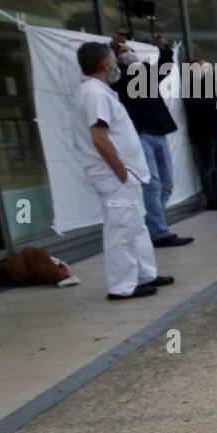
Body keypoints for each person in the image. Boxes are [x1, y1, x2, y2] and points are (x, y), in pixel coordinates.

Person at [70, 42, 174, 300]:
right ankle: (122, 286)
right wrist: (122, 172)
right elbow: (99, 137)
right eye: (113, 60)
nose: (117, 63)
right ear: (105, 63)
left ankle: (144, 275)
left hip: (125, 174)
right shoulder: (94, 94)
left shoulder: (100, 91)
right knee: (120, 230)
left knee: (136, 226)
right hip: (114, 175)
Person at [112, 44, 194, 248]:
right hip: (141, 135)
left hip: (159, 133)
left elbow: (165, 66)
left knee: (166, 184)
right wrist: (119, 54)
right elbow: (119, 78)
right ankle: (159, 232)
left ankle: (152, 225)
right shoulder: (119, 78)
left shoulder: (146, 73)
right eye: (124, 51)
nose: (129, 53)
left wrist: (164, 49)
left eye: (130, 50)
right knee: (153, 184)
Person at [184, 56, 217, 210]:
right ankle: (211, 198)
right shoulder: (191, 87)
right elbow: (199, 110)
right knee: (208, 166)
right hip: (204, 133)